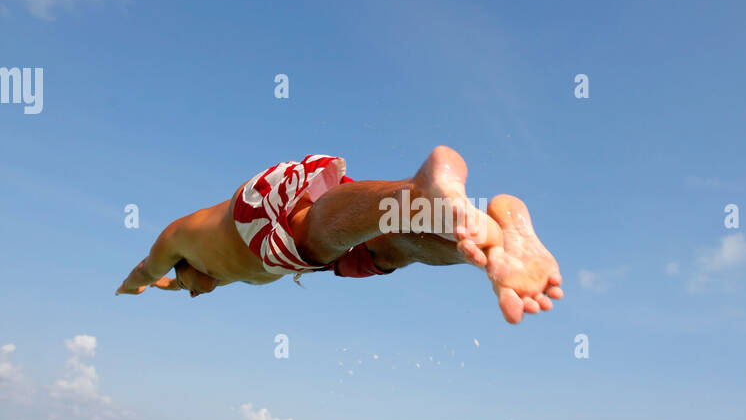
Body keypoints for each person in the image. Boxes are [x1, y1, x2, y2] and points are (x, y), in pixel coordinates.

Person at [116, 145, 562, 325]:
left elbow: (148, 269)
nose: (193, 292)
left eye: (188, 284)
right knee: (392, 250)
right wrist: (169, 284)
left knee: (308, 237)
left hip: (263, 213)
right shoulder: (198, 265)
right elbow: (170, 281)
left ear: (188, 267)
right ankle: (498, 234)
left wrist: (131, 286)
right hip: (312, 213)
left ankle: (415, 191)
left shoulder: (178, 239)